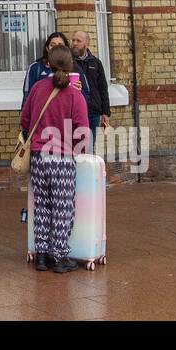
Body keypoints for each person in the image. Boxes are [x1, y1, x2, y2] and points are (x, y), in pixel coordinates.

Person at [21, 45, 90, 274]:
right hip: (61, 157)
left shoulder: (38, 88)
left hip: (39, 157)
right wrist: (77, 154)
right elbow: (82, 130)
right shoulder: (74, 95)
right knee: (62, 208)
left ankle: (41, 255)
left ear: (47, 64)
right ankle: (60, 257)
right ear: (71, 66)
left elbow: (24, 120)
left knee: (41, 206)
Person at [71, 31, 111, 150]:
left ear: (87, 44)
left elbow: (103, 88)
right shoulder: (68, 62)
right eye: (73, 40)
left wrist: (106, 112)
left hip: (93, 112)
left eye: (78, 41)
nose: (74, 43)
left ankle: (88, 168)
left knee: (89, 146)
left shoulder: (96, 63)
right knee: (75, 146)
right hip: (74, 112)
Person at [24, 32, 89, 100]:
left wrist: (79, 91)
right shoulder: (36, 68)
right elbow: (27, 97)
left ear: (66, 48)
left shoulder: (74, 67)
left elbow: (86, 97)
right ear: (47, 48)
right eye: (52, 45)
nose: (56, 48)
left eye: (60, 45)